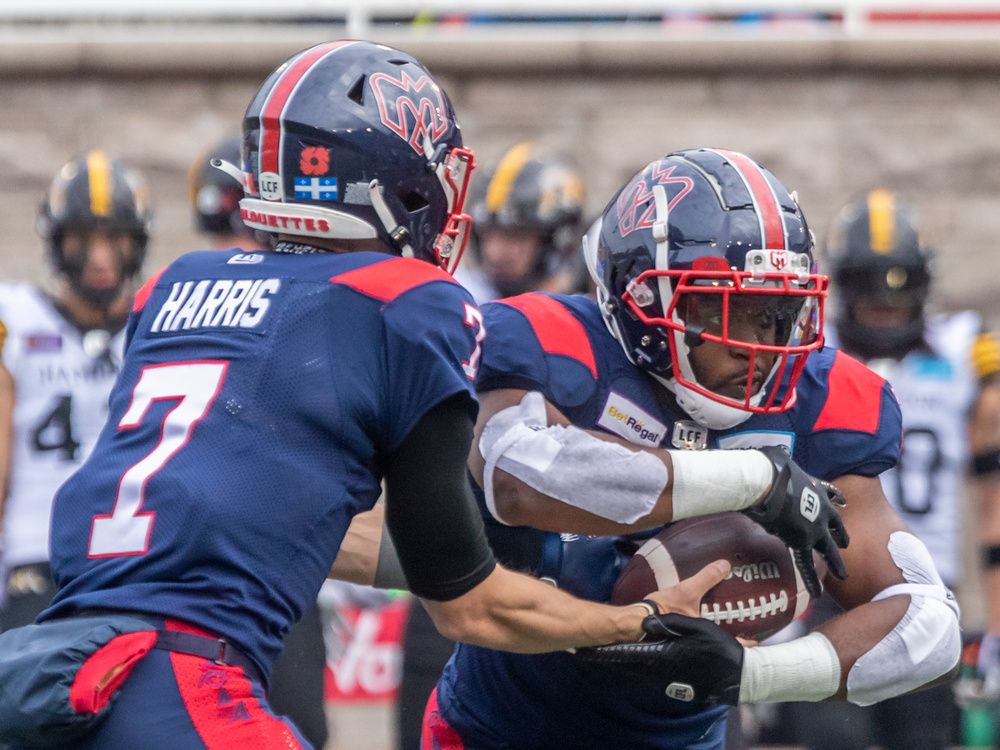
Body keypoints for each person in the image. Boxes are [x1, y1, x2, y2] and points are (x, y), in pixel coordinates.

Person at [0, 43, 805, 750]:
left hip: (51, 665)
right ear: (395, 181)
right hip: (183, 679)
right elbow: (469, 608)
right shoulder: (408, 304)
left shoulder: (175, 285)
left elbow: (287, 512)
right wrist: (638, 623)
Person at [419, 149, 963, 749]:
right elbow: (517, 477)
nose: (758, 347)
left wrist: (753, 674)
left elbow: (928, 624)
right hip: (499, 732)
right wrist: (754, 479)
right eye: (724, 309)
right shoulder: (557, 344)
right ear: (642, 302)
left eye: (777, 313)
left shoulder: (819, 397)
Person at [778, 189, 1000, 750]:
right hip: (831, 584)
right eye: (873, 297)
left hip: (931, 590)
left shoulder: (965, 351)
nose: (886, 311)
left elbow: (992, 500)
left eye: (898, 299)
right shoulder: (808, 351)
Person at [395, 141, 587, 750]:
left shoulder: (591, 318)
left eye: (519, 234)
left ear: (555, 238)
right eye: (495, 234)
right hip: (458, 537)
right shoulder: (462, 300)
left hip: (568, 553)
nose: (500, 249)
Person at [187, 136, 329, 749]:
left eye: (248, 233)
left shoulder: (312, 315)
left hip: (277, 572)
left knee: (301, 727)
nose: (236, 253)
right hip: (192, 574)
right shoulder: (179, 303)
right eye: (223, 232)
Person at [0, 150, 151, 632]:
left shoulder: (160, 324)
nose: (101, 258)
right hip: (38, 553)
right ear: (57, 241)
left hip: (137, 556)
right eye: (84, 239)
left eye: (116, 239)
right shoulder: (15, 319)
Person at [456, 142, 586, 302]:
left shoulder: (589, 313)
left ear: (557, 240)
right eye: (486, 235)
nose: (494, 253)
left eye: (514, 236)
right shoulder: (461, 297)